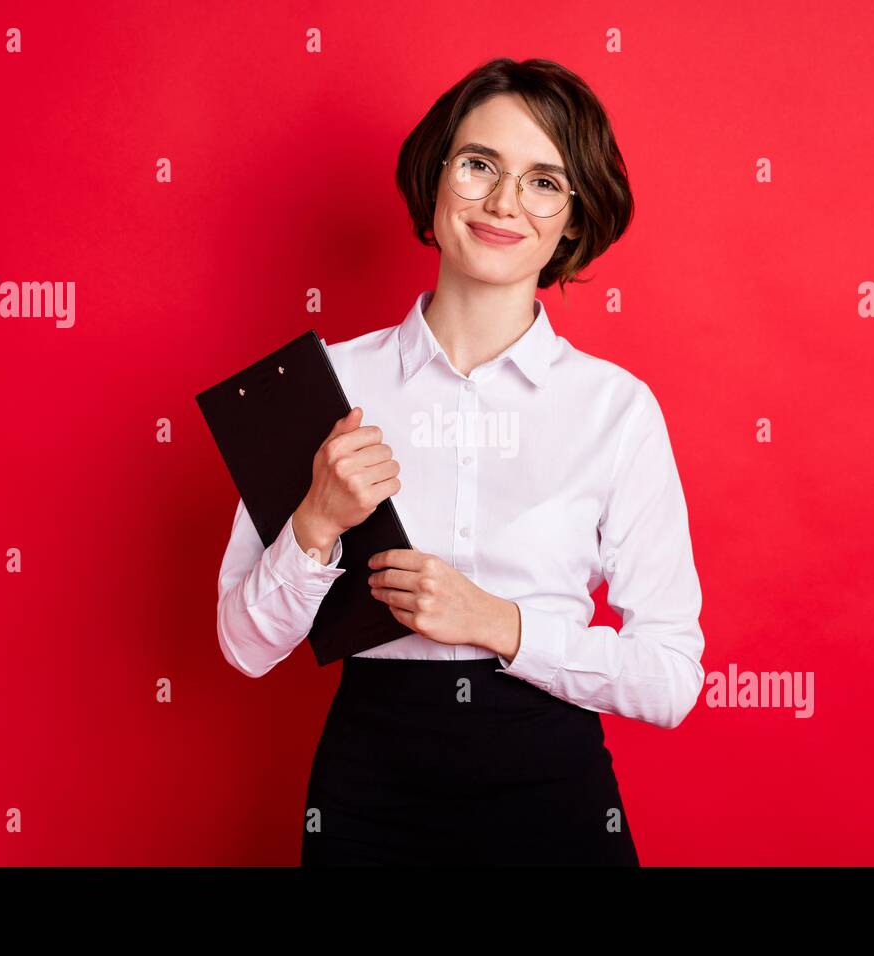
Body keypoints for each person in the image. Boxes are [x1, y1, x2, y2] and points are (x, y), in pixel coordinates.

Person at [215, 57, 705, 866]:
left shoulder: (616, 410)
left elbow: (670, 678)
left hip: (552, 797)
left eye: (544, 182)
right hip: (367, 797)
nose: (504, 202)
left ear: (573, 222)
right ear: (437, 180)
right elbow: (243, 644)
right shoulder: (327, 385)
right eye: (480, 166)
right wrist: (314, 525)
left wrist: (500, 625)